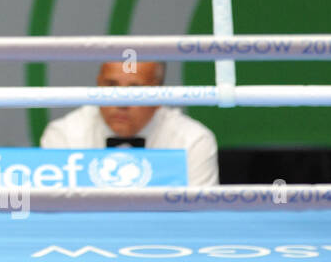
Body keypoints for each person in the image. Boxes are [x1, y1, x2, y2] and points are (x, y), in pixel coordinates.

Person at [39, 61, 219, 185]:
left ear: (159, 96)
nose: (121, 102)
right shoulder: (63, 135)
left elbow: (200, 222)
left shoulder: (193, 140)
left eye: (136, 90)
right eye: (111, 86)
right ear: (97, 86)